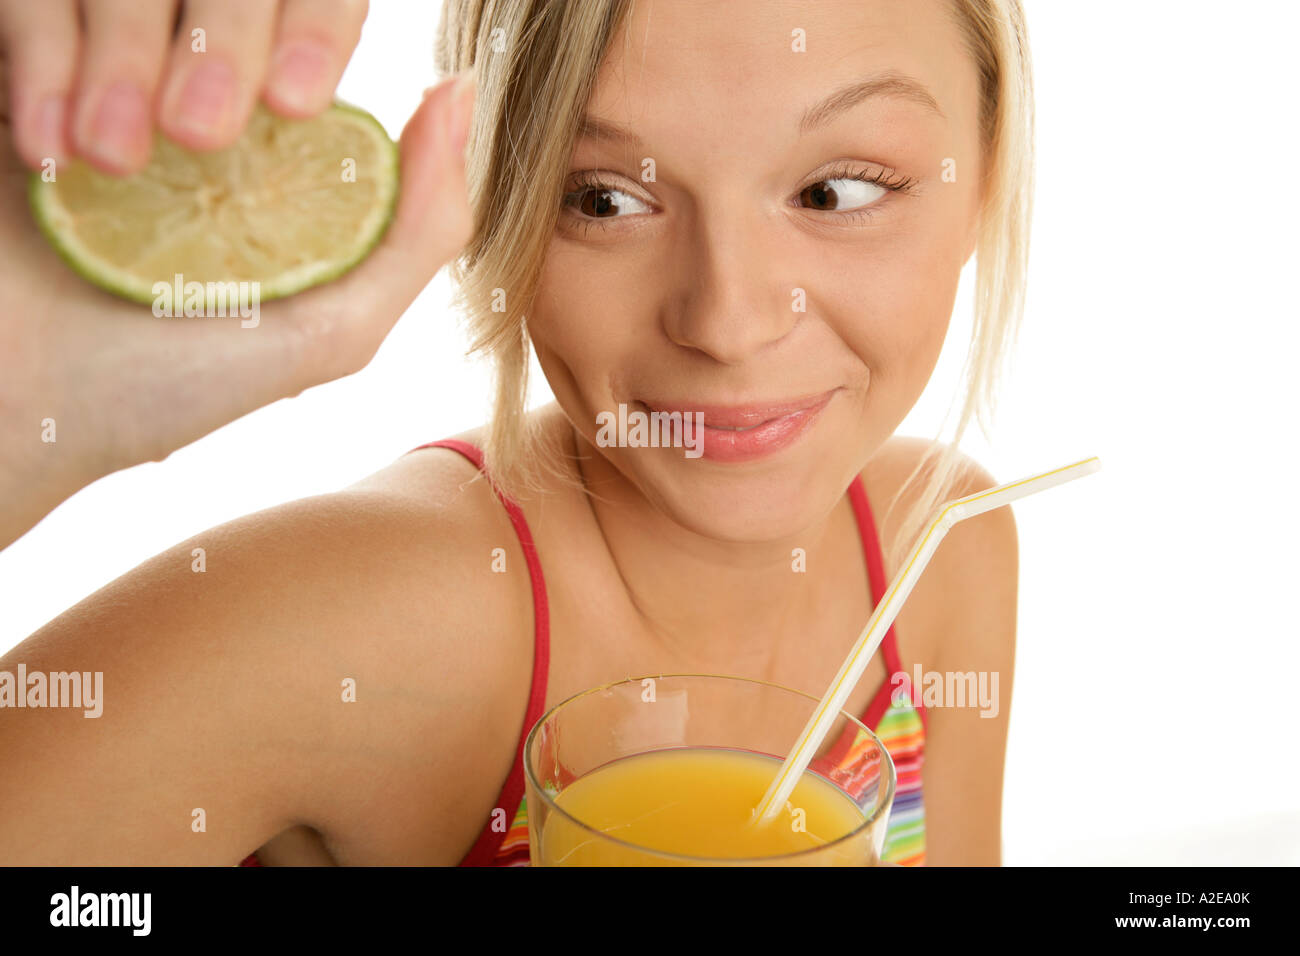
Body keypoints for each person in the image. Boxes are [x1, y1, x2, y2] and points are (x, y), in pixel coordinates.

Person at [0, 0, 1026, 866]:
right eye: (605, 199)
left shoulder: (945, 544)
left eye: (834, 190)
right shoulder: (382, 616)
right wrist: (23, 409)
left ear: (981, 172)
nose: (725, 322)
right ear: (497, 206)